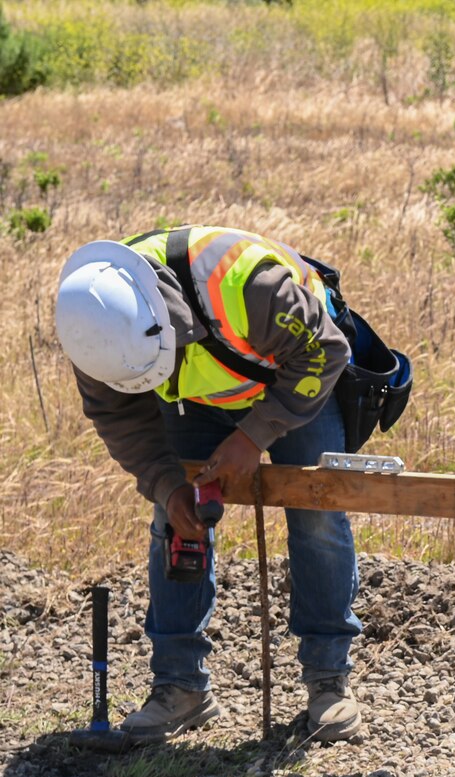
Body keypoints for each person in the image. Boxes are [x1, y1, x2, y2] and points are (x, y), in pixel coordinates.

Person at [55, 225, 364, 746]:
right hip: (197, 397)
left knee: (316, 514)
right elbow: (121, 421)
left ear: (166, 323)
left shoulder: (251, 289)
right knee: (176, 521)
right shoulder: (94, 324)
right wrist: (166, 485)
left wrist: (252, 436)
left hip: (295, 376)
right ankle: (180, 688)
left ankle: (328, 680)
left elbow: (324, 354)